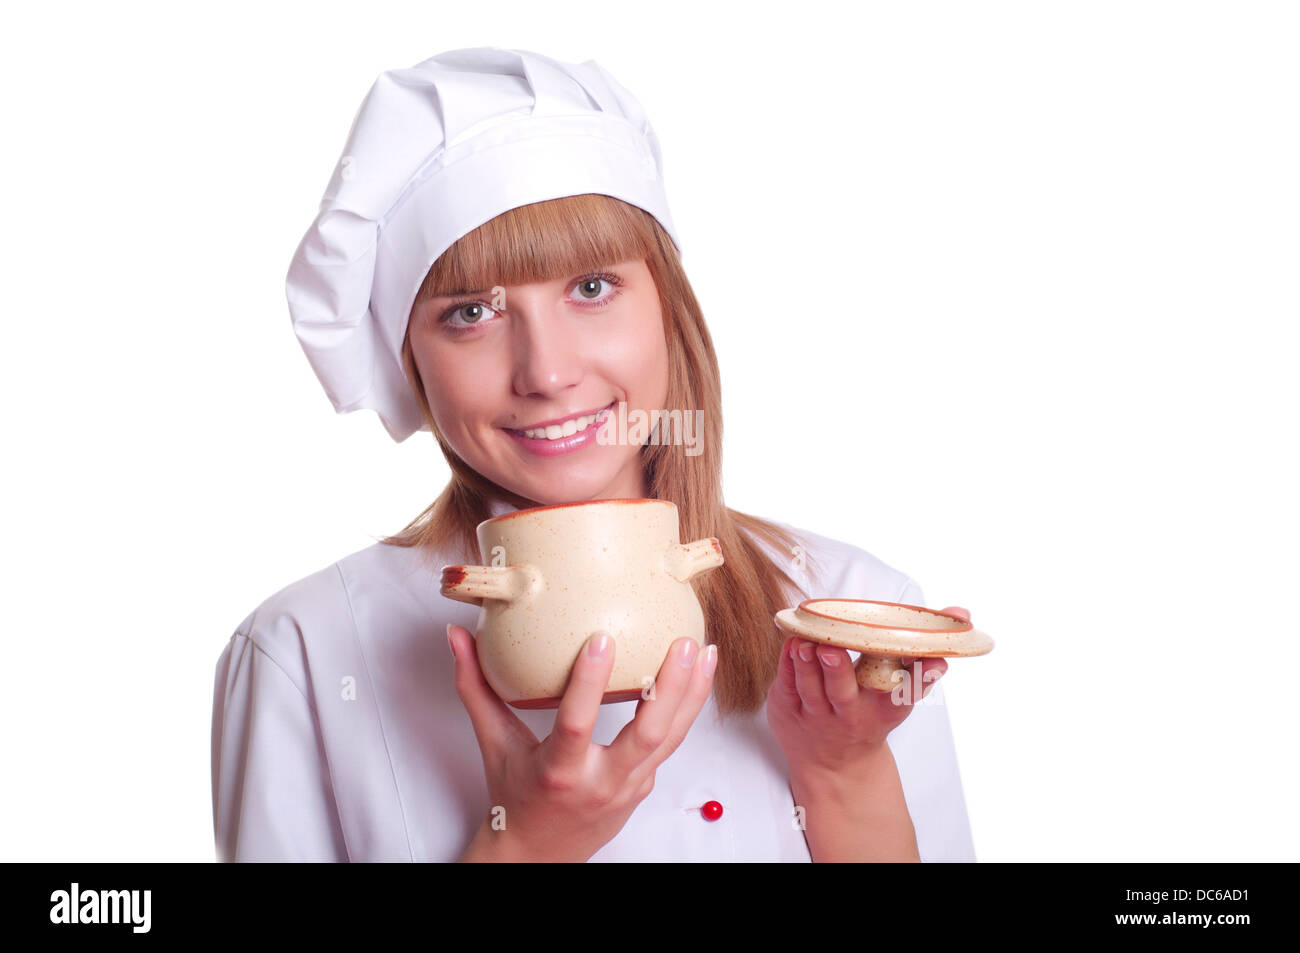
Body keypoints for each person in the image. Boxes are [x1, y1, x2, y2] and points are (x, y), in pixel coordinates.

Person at [210, 47, 978, 862]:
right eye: (470, 311)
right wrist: (524, 845)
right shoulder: (305, 653)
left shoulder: (845, 611)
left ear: (667, 308)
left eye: (590, 288)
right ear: (411, 360)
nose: (546, 372)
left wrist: (840, 772)